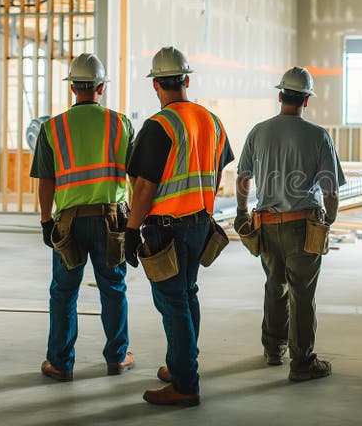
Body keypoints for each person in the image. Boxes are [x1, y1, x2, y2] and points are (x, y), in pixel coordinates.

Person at [123, 47, 234, 406]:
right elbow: (217, 172)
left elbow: (144, 186)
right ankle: (181, 365)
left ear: (156, 84)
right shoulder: (212, 121)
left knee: (173, 302)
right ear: (186, 80)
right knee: (188, 295)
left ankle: (185, 385)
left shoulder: (159, 126)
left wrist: (130, 229)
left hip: (166, 229)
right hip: (200, 222)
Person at [235, 66, 345, 382]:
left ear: (280, 94)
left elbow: (243, 178)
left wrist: (243, 214)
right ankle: (302, 362)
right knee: (303, 293)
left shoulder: (258, 131)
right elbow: (330, 190)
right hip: (303, 228)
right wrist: (329, 219)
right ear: (306, 100)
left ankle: (273, 349)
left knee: (274, 284)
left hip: (266, 225)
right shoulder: (318, 136)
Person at [30, 53, 135, 382]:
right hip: (111, 221)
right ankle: (117, 358)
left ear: (73, 87)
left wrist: (46, 221)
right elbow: (137, 176)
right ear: (101, 86)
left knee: (64, 293)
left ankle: (60, 363)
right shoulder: (121, 124)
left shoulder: (52, 128)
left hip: (69, 223)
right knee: (113, 289)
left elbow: (46, 182)